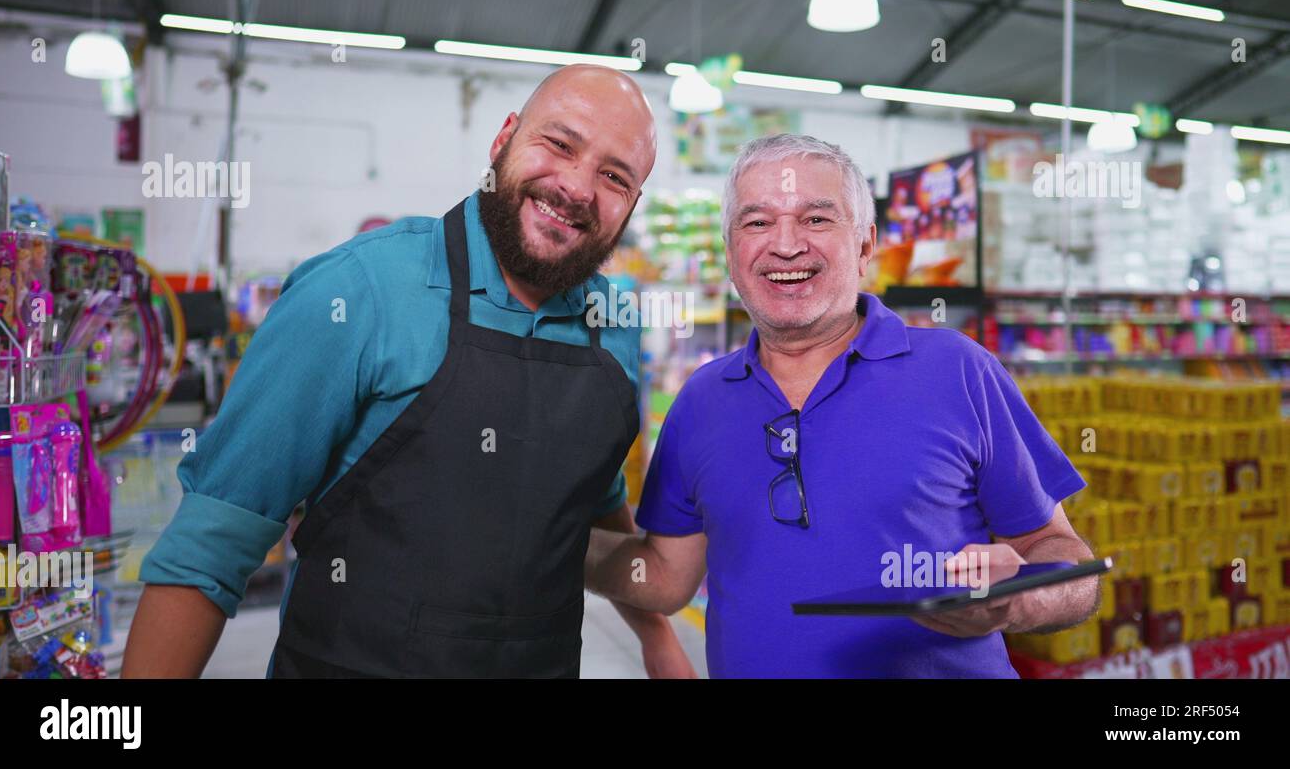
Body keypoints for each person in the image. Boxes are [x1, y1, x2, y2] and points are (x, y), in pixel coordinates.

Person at [124, 64, 696, 679]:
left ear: (633, 204)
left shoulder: (614, 325)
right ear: (503, 139)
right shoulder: (358, 291)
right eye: (560, 143)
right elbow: (208, 551)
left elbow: (592, 499)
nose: (578, 187)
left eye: (615, 177)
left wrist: (657, 639)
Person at [586, 133, 1096, 678]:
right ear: (731, 253)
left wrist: (1019, 598)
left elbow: (1066, 560)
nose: (785, 244)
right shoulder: (700, 401)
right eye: (757, 222)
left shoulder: (959, 370)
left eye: (816, 219)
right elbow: (664, 577)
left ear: (864, 245)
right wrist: (540, 540)